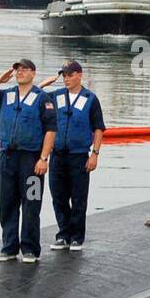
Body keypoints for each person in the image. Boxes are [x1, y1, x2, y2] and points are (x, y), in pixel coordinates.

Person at [0, 59, 57, 263]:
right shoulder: (6, 95)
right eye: (17, 69)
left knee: (31, 203)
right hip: (7, 157)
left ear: (33, 73)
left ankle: (30, 248)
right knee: (8, 203)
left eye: (24, 69)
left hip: (31, 159)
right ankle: (9, 246)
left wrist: (43, 158)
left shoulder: (42, 98)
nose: (19, 73)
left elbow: (51, 130)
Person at [42, 61, 106, 250]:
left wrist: (94, 154)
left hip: (78, 155)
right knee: (58, 196)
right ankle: (63, 234)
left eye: (70, 75)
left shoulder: (90, 98)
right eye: (64, 76)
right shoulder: (57, 96)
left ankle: (77, 236)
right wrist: (45, 83)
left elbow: (99, 128)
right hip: (58, 155)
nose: (66, 79)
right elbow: (34, 96)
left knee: (78, 197)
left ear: (79, 75)